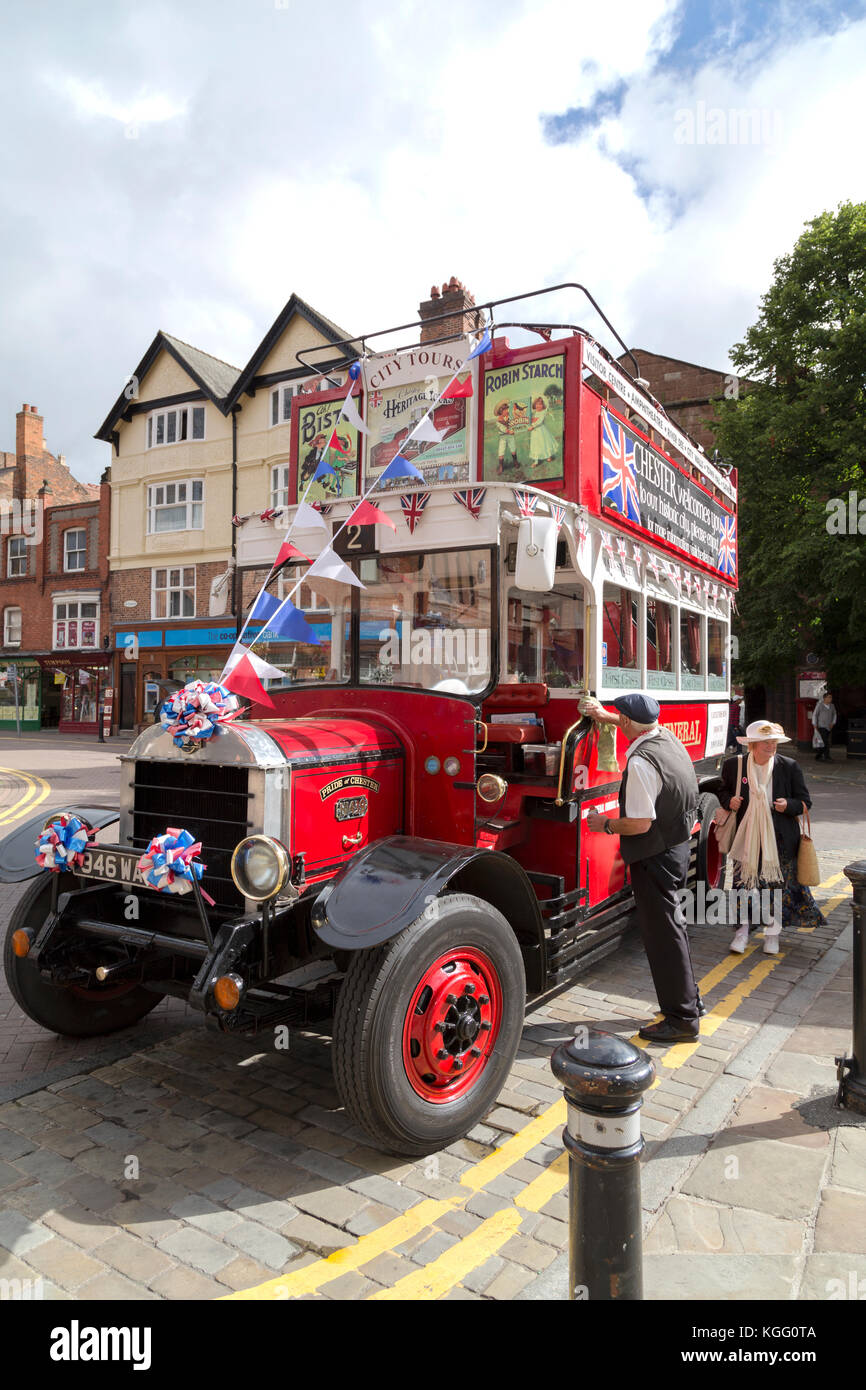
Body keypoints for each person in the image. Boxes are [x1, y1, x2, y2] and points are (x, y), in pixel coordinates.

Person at [582, 692, 702, 1042]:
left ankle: (682, 1019)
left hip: (654, 856)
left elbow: (639, 823)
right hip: (676, 849)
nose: (618, 720)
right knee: (673, 929)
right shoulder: (666, 739)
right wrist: (602, 714)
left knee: (663, 937)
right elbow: (624, 721)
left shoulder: (639, 763)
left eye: (620, 717)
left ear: (630, 724)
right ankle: (691, 1001)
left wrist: (602, 824)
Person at [719, 719, 824, 955]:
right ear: (753, 745)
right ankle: (742, 931)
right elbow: (723, 789)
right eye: (766, 743)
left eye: (774, 743)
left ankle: (772, 934)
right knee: (742, 884)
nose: (771, 747)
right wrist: (729, 801)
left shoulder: (789, 766)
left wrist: (788, 805)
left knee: (776, 888)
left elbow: (805, 802)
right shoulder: (734, 766)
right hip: (746, 836)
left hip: (779, 838)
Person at [812, 691, 837, 761]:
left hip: (829, 726)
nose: (830, 699)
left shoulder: (832, 706)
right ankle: (827, 756)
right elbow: (815, 715)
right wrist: (814, 724)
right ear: (824, 698)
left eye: (831, 697)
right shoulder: (819, 705)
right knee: (825, 741)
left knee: (823, 741)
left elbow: (834, 714)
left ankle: (818, 755)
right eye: (829, 697)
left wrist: (833, 723)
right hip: (821, 726)